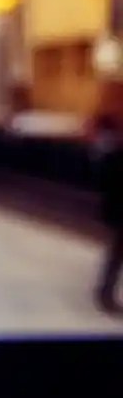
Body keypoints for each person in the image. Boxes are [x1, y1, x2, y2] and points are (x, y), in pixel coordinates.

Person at [91, 115, 123, 313]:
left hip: (116, 208)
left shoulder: (115, 151)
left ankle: (105, 294)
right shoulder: (117, 153)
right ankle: (105, 295)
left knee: (116, 255)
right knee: (116, 255)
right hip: (120, 210)